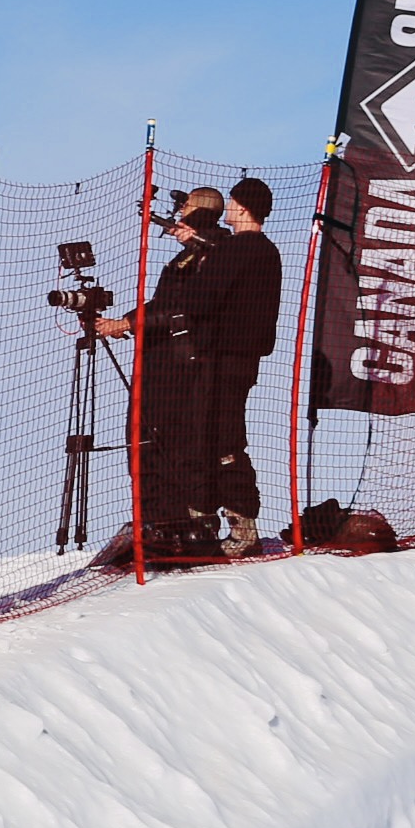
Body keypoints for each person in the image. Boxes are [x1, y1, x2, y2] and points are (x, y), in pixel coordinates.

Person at [98, 191, 226, 561]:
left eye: (186, 209)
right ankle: (156, 525)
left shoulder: (214, 252)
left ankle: (177, 528)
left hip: (179, 367)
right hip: (161, 362)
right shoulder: (188, 257)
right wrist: (125, 323)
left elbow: (180, 308)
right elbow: (162, 305)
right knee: (144, 442)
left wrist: (127, 323)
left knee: (168, 444)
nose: (178, 215)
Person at [202, 177, 288, 552]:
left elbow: (204, 295)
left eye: (233, 201)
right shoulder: (265, 250)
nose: (228, 208)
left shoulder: (241, 248)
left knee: (224, 440)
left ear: (241, 206)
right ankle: (232, 523)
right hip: (241, 360)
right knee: (224, 437)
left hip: (224, 359)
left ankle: (241, 527)